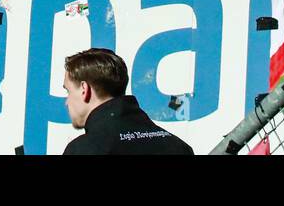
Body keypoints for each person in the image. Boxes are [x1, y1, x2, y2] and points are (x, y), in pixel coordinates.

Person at [62, 48, 193, 155]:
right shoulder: (178, 146)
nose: (67, 102)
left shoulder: (84, 149)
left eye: (68, 91)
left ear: (84, 89)